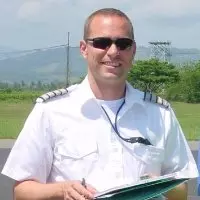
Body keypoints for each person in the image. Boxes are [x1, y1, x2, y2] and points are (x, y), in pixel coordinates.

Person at [1, 8, 198, 200]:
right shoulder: (51, 110)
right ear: (84, 49)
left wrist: (158, 185)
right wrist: (62, 190)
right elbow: (22, 191)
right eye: (102, 42)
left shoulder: (160, 114)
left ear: (133, 50)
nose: (113, 52)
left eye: (123, 44)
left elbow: (182, 189)